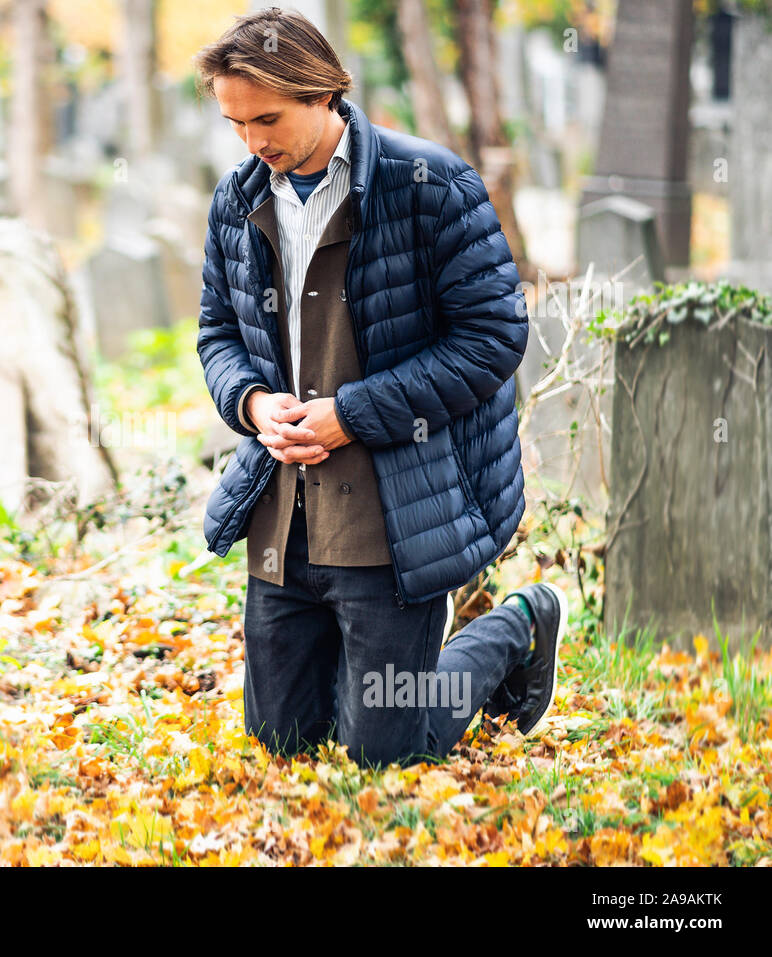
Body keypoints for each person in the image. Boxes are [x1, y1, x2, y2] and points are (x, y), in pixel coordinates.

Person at [192, 7, 567, 768]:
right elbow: (217, 334)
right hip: (282, 509)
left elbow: (494, 338)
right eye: (235, 124)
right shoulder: (237, 199)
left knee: (386, 756)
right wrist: (253, 403)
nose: (253, 142)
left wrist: (350, 416)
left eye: (267, 118)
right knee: (282, 745)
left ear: (322, 91)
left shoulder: (430, 185)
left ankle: (517, 623)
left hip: (396, 510)